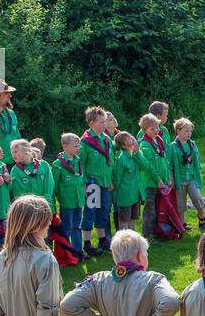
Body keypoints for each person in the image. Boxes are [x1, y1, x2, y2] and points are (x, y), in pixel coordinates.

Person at [81, 106, 115, 257]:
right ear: (91, 123)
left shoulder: (106, 139)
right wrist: (83, 183)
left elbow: (111, 161)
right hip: (92, 181)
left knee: (104, 211)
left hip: (105, 181)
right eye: (101, 122)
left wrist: (110, 179)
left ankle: (102, 240)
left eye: (105, 122)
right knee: (90, 212)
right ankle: (87, 244)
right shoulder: (85, 142)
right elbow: (81, 164)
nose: (104, 124)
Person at [138, 113, 172, 235]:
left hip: (162, 182)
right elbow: (149, 167)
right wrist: (158, 180)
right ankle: (147, 235)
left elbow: (165, 160)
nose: (156, 130)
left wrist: (168, 177)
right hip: (151, 183)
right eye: (152, 129)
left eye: (157, 127)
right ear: (144, 130)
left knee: (160, 208)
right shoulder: (145, 145)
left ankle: (158, 231)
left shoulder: (158, 140)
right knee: (150, 210)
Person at [52, 133, 86, 255]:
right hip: (67, 201)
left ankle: (78, 251)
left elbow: (82, 179)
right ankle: (67, 254)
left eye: (78, 146)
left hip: (78, 200)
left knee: (77, 226)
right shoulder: (58, 164)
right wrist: (58, 198)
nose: (78, 148)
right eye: (75, 146)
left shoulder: (78, 161)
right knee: (66, 227)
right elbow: (54, 186)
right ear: (65, 146)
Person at [172, 118, 205, 228]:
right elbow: (170, 166)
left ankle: (202, 217)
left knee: (197, 198)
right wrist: (171, 179)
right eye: (186, 131)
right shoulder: (173, 146)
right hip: (180, 180)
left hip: (191, 178)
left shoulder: (192, 144)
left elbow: (197, 160)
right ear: (178, 131)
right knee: (180, 204)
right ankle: (182, 225)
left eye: (190, 131)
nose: (189, 133)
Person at [111, 131, 143, 233]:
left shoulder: (134, 155)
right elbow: (117, 179)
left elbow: (144, 166)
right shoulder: (121, 159)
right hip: (124, 196)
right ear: (124, 145)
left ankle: (132, 240)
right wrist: (116, 196)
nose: (132, 138)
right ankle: (123, 241)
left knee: (132, 219)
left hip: (134, 195)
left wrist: (137, 153)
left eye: (130, 136)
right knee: (124, 220)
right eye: (128, 138)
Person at [8, 138, 54, 207]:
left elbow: (49, 184)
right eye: (12, 152)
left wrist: (45, 200)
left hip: (45, 205)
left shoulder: (44, 165)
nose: (13, 155)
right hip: (27, 208)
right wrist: (30, 205)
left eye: (16, 152)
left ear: (26, 151)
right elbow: (18, 191)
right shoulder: (15, 170)